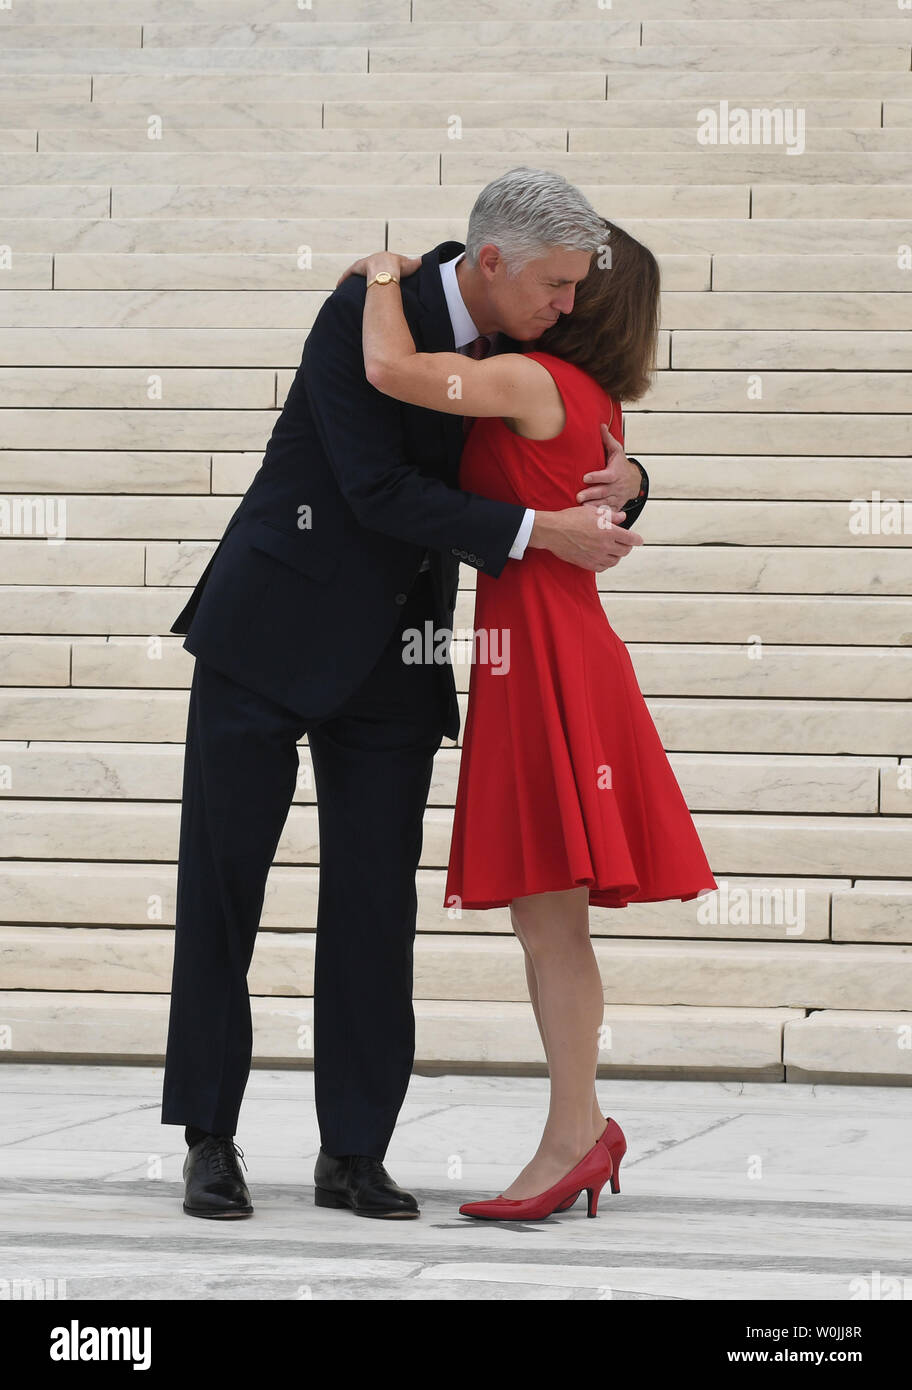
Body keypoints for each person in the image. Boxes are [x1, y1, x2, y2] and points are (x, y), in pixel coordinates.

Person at [160, 167, 652, 1220]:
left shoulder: (526, 346)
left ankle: (356, 1151)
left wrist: (636, 480)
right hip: (269, 628)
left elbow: (581, 429)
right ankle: (210, 1136)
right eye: (554, 287)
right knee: (222, 890)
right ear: (489, 263)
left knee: (376, 908)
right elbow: (376, 487)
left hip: (401, 655)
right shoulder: (365, 312)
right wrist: (537, 536)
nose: (568, 307)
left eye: (574, 290)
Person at [351, 218, 718, 1222]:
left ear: (586, 300)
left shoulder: (529, 385)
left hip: (549, 651)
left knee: (550, 923)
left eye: (568, 281)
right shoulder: (593, 406)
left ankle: (574, 1130)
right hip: (552, 645)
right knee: (549, 922)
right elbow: (601, 489)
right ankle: (578, 1125)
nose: (549, 294)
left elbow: (387, 368)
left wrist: (385, 271)